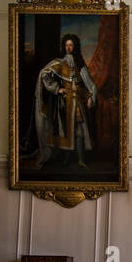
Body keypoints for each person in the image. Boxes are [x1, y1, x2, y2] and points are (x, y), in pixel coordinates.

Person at [28, 33, 97, 169]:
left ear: (75, 47)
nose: (68, 48)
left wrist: (90, 97)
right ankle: (64, 160)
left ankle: (81, 159)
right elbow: (43, 74)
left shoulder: (80, 66)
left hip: (78, 103)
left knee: (80, 131)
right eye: (66, 45)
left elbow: (90, 85)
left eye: (71, 45)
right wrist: (56, 88)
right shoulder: (59, 63)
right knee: (64, 131)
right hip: (64, 103)